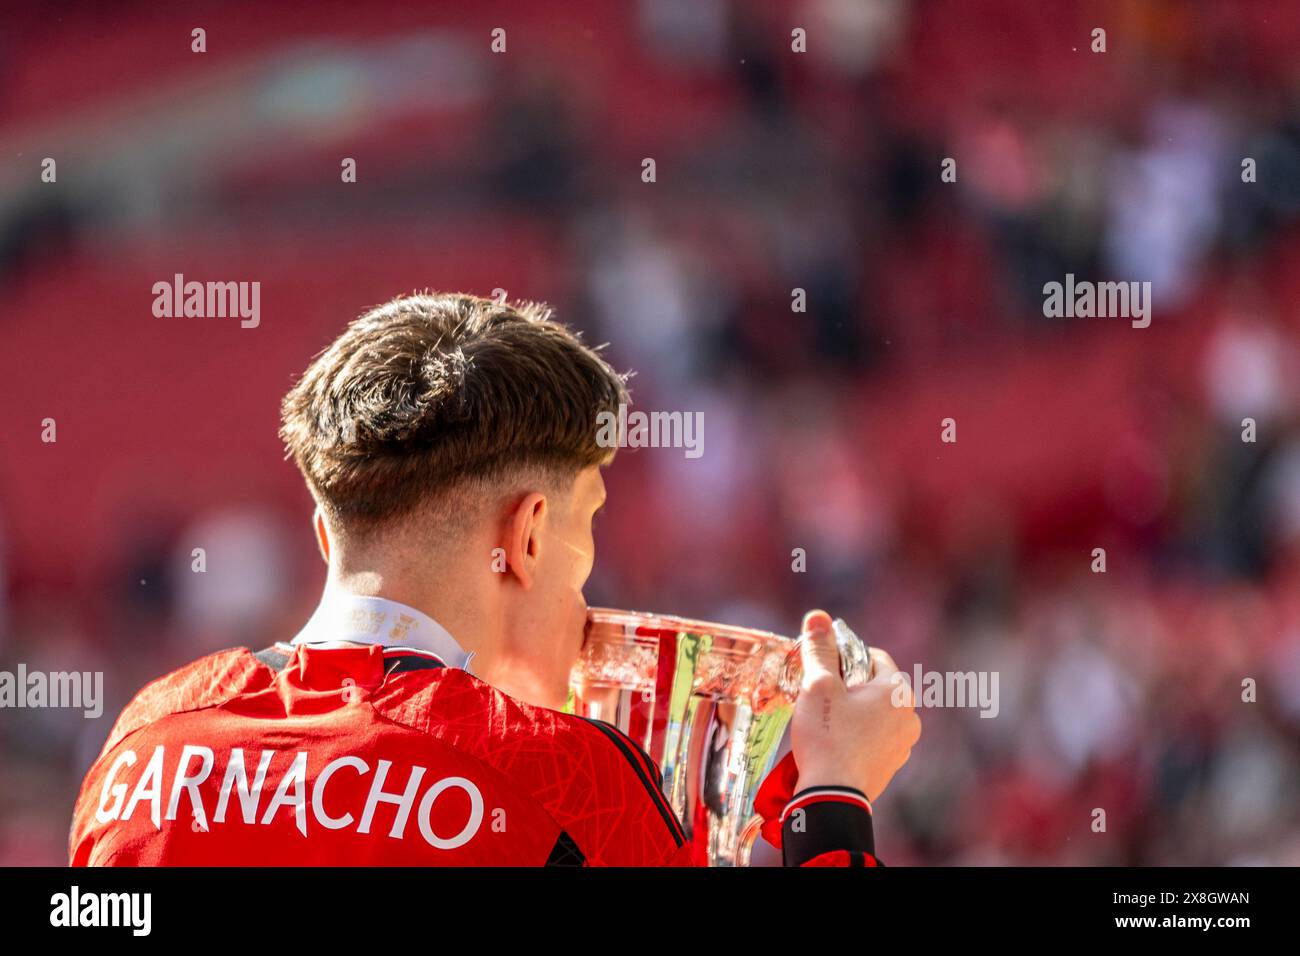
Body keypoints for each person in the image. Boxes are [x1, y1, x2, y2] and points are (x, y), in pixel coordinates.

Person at [69, 293, 920, 866]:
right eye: (588, 525)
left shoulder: (143, 742)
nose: (586, 589)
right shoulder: (565, 780)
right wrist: (833, 797)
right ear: (528, 536)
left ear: (327, 533)